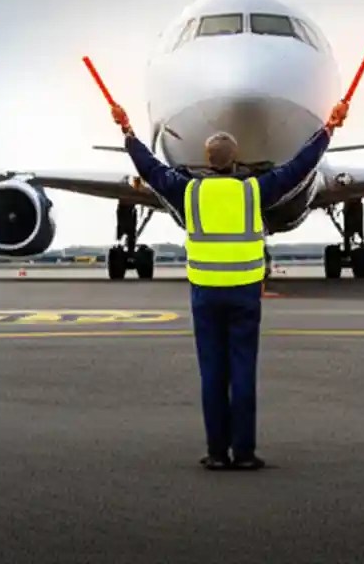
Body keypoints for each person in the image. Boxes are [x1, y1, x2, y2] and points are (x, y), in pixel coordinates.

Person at [110, 99, 348, 470]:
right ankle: (246, 453)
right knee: (243, 374)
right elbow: (299, 168)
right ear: (235, 160)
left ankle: (217, 454)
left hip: (205, 296)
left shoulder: (188, 192)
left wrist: (127, 133)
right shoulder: (253, 191)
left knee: (212, 376)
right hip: (244, 295)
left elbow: (151, 169)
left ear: (206, 160)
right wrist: (329, 130)